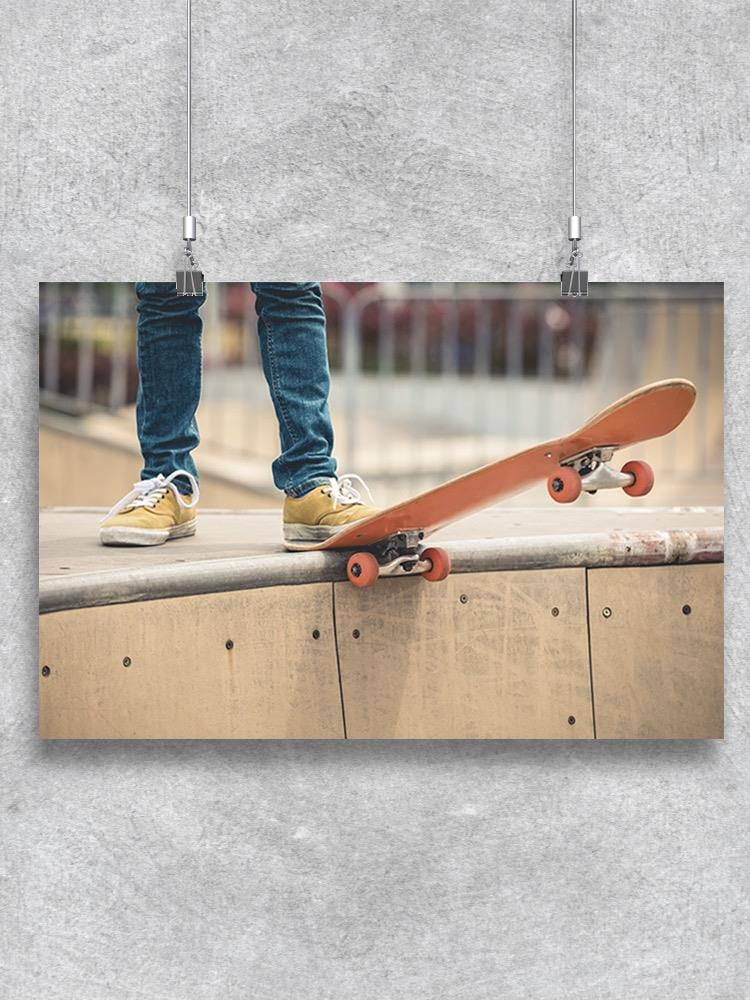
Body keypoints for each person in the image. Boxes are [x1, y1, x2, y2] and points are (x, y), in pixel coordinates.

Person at [99, 283, 378, 548]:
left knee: (288, 287)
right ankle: (170, 481)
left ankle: (311, 485)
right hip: (186, 232)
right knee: (172, 293)